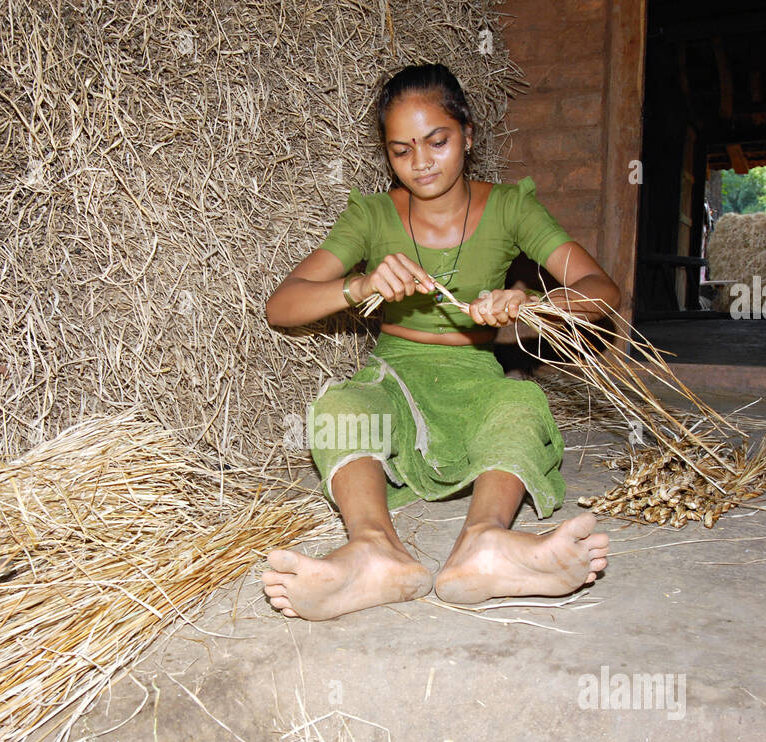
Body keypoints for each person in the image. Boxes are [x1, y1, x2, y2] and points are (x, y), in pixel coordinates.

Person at [263, 63, 618, 620]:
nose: (421, 163)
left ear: (468, 135)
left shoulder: (510, 208)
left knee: (521, 405)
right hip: (396, 375)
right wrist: (359, 284)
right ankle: (374, 548)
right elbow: (282, 304)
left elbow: (601, 291)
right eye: (401, 150)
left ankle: (483, 543)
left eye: (437, 141)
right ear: (387, 154)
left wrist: (530, 305)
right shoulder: (373, 215)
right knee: (342, 407)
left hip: (475, 377)